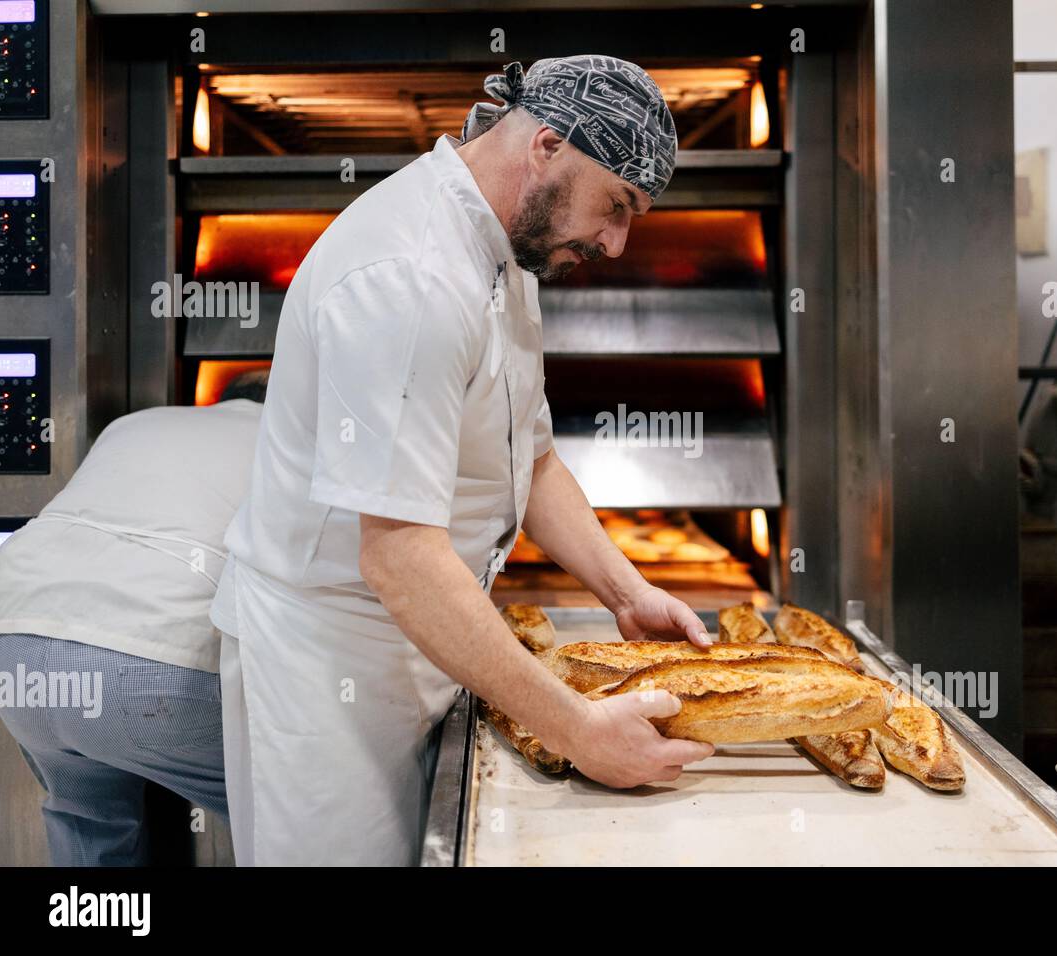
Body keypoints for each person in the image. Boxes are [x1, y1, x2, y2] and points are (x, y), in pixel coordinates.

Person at [210, 55, 715, 866]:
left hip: (429, 642)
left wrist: (627, 591)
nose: (617, 244)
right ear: (548, 145)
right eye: (617, 207)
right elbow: (401, 557)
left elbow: (533, 460)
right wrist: (578, 729)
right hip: (332, 669)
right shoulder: (410, 278)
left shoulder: (505, 247)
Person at [0, 372, 268, 865]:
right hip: (159, 666)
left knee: (86, 821)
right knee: (275, 812)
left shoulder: (134, 423)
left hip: (18, 646)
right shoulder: (286, 442)